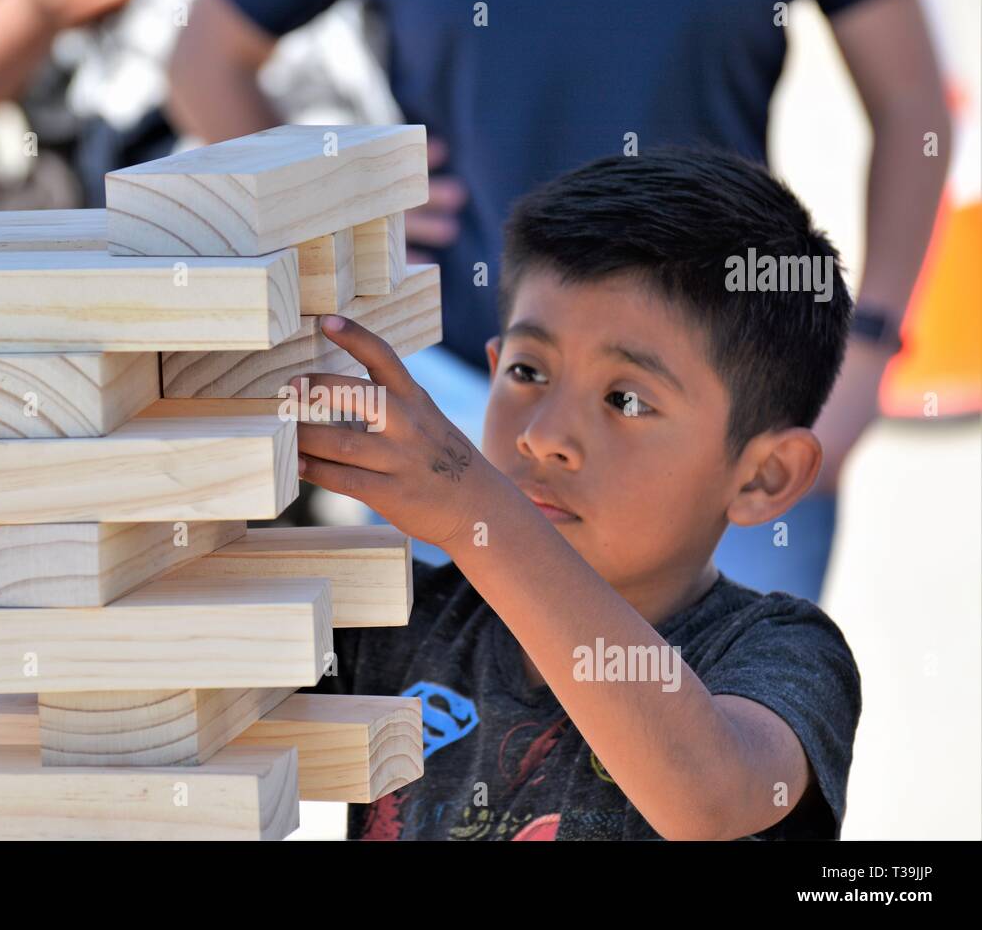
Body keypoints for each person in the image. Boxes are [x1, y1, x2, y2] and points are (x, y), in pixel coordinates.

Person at [169, 0, 950, 595]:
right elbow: (204, 62)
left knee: (722, 759)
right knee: (480, 773)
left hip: (723, 418)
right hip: (469, 401)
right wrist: (337, 197)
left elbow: (913, 106)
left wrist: (870, 352)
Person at [289, 148, 859, 840]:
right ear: (492, 369)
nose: (543, 435)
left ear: (764, 476)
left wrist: (478, 511)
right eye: (528, 371)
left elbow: (711, 796)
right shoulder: (396, 622)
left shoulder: (778, 652)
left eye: (626, 398)